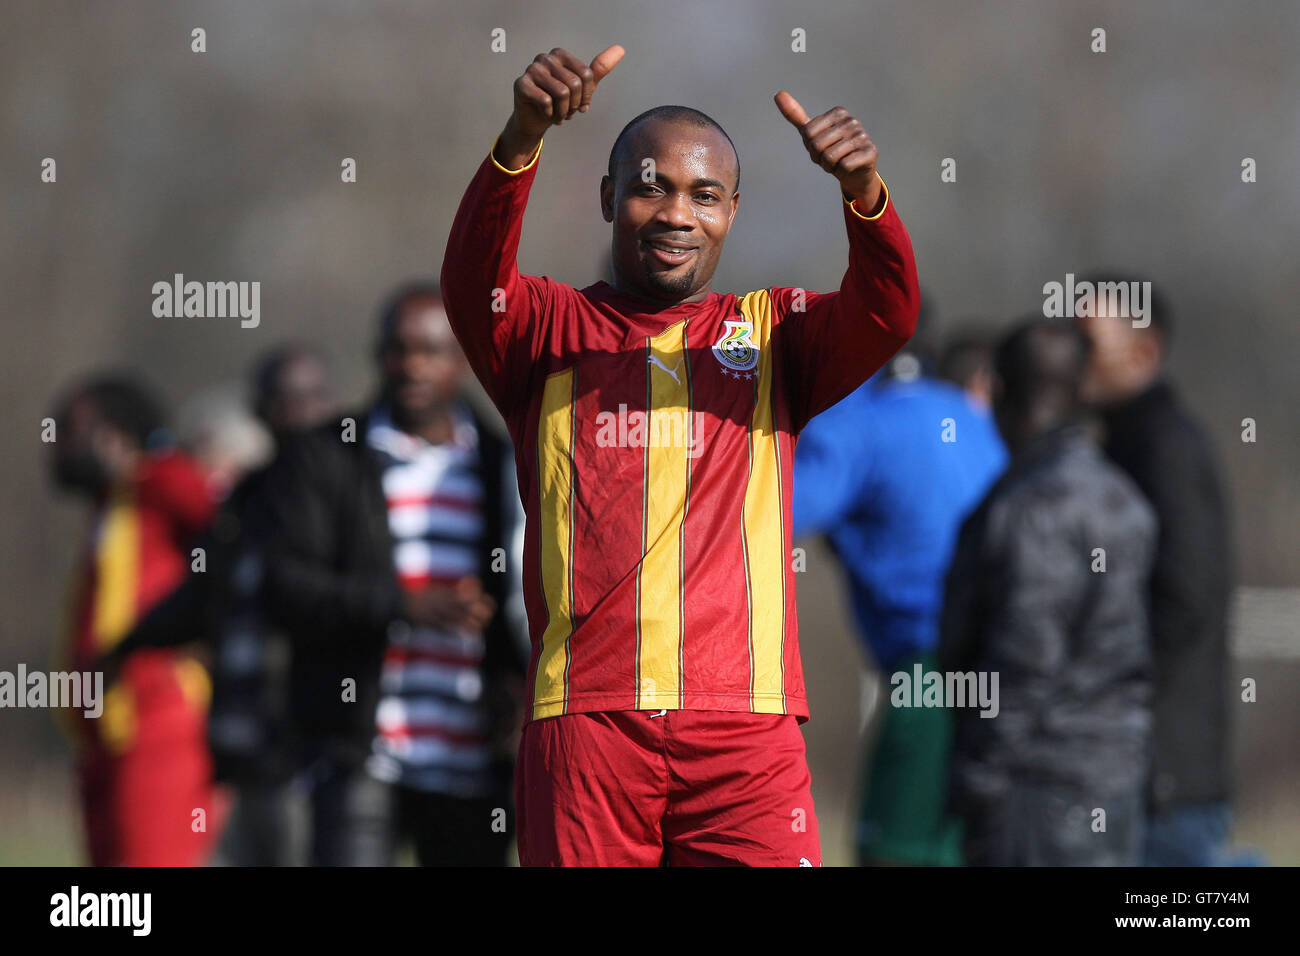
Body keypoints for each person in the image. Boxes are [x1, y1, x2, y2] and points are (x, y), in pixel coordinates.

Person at [440, 44, 920, 865]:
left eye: (704, 195)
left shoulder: (773, 337)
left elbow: (887, 313)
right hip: (588, 724)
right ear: (608, 198)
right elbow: (471, 280)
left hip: (746, 730)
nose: (674, 214)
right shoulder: (544, 332)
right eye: (649, 187)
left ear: (733, 211)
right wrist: (521, 139)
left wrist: (863, 195)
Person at [262, 286, 525, 866]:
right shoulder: (327, 455)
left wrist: (518, 682)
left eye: (431, 351)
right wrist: (402, 604)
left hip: (473, 754)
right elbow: (282, 586)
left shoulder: (503, 461)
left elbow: (526, 596)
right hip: (361, 746)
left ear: (463, 360)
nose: (412, 366)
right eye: (398, 349)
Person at [102, 347, 340, 866]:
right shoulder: (245, 503)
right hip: (239, 749)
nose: (299, 412)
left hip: (309, 753)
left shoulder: (350, 493)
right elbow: (203, 594)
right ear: (261, 412)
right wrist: (130, 643)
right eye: (284, 399)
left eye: (311, 398)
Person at [940, 320, 1155, 866]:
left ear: (1000, 391)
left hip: (1036, 792)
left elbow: (1025, 661)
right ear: (1083, 388)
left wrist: (979, 779)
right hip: (1111, 781)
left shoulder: (1034, 507)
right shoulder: (1121, 495)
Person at [792, 339, 1006, 866]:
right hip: (997, 664)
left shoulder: (862, 420)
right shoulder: (969, 415)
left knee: (892, 848)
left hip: (926, 665)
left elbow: (776, 511)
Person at [1075, 277, 1235, 866]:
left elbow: (1187, 598)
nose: (1071, 358)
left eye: (1086, 341)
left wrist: (1102, 687)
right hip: (1133, 768)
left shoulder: (1166, 447)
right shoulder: (1118, 444)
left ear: (1144, 353)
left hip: (1164, 775)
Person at [49, 375, 224, 866]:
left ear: (114, 432)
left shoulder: (163, 476)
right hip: (107, 735)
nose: (59, 442)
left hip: (159, 725)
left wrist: (207, 627)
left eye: (71, 427)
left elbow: (228, 533)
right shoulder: (114, 503)